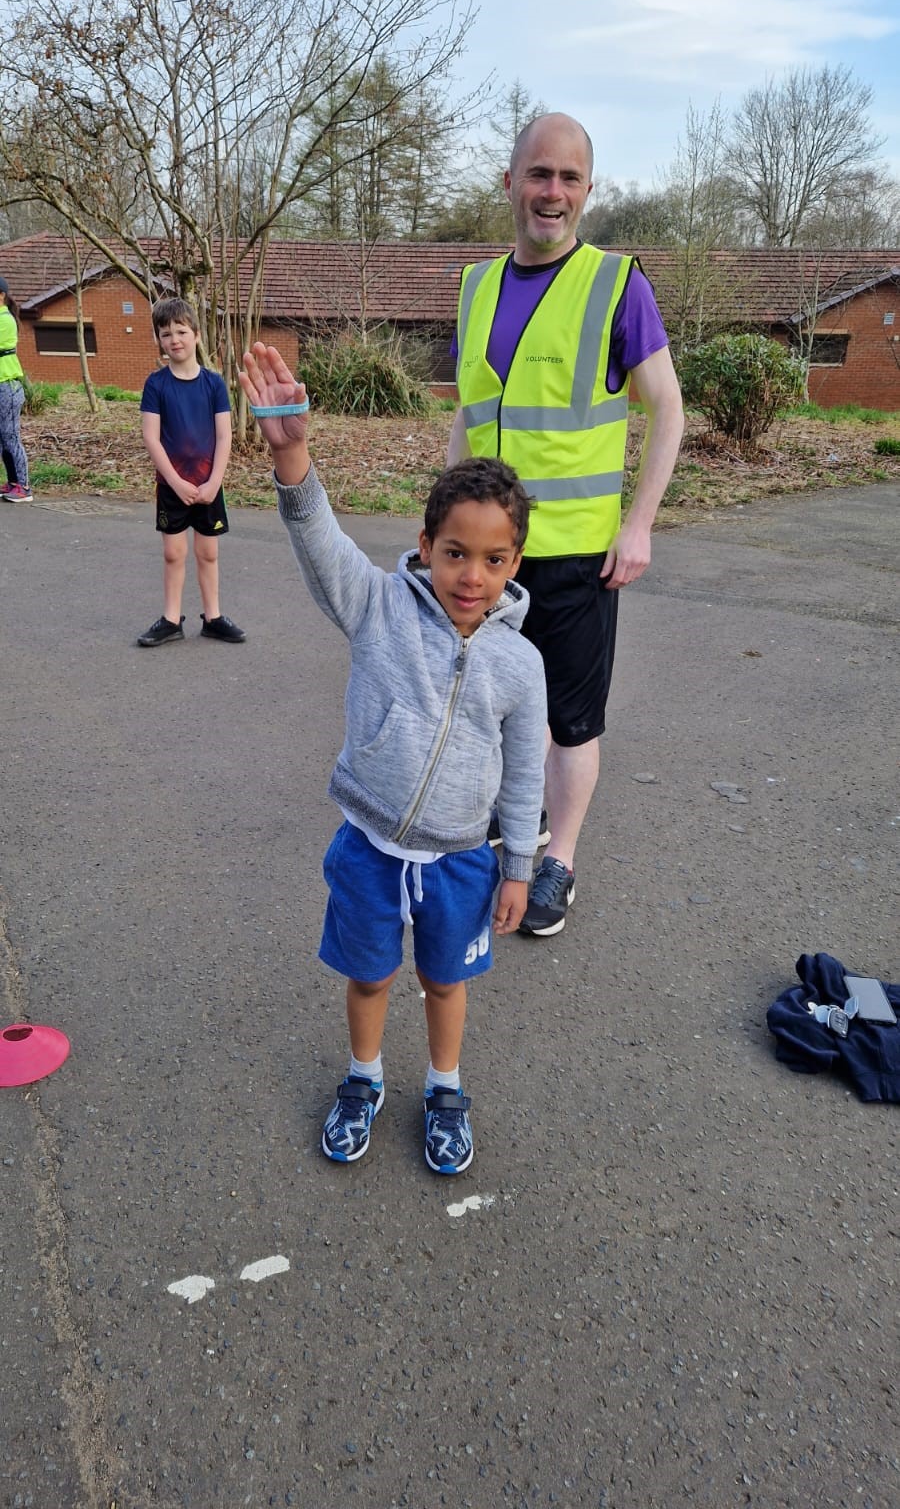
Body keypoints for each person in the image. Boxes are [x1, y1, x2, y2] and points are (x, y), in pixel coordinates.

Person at [239, 342, 547, 1174]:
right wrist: (292, 455)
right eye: (455, 552)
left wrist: (519, 868)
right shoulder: (379, 606)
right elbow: (322, 543)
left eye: (493, 559)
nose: (472, 575)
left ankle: (445, 1088)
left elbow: (526, 774)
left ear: (515, 563)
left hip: (461, 860)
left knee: (445, 983)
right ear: (425, 546)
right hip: (369, 847)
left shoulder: (522, 665)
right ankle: (364, 1078)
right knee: (370, 978)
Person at [448, 111, 684, 936]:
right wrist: (440, 524)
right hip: (485, 559)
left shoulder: (616, 284)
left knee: (571, 721)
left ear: (586, 189)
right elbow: (468, 416)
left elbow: (668, 409)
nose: (553, 192)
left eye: (569, 177)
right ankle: (510, 822)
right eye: (539, 174)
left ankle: (560, 860)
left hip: (578, 556)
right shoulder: (475, 286)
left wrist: (639, 524)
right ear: (509, 182)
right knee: (488, 706)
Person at [137, 297, 245, 646]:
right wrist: (176, 481)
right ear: (158, 339)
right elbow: (151, 438)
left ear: (197, 335)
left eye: (181, 332)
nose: (174, 340)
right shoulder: (156, 384)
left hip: (208, 485)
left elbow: (225, 436)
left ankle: (213, 618)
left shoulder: (214, 384)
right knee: (174, 554)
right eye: (166, 334)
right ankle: (171, 620)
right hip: (172, 486)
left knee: (208, 553)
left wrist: (214, 482)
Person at [0, 277, 32, 503]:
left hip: (7, 385)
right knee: (2, 438)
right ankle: (12, 482)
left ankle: (23, 486)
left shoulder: (5, 320)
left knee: (10, 436)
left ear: (1, 295)